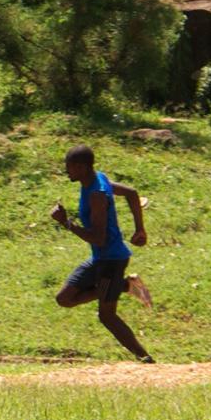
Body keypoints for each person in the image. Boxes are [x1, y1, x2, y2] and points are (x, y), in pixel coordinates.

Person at [51, 144, 155, 362]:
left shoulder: (96, 194)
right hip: (100, 259)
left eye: (69, 167)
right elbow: (132, 193)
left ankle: (145, 358)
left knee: (107, 315)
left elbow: (99, 238)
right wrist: (139, 228)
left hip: (111, 261)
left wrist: (66, 223)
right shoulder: (98, 178)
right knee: (65, 298)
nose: (66, 171)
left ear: (80, 167)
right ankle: (126, 285)